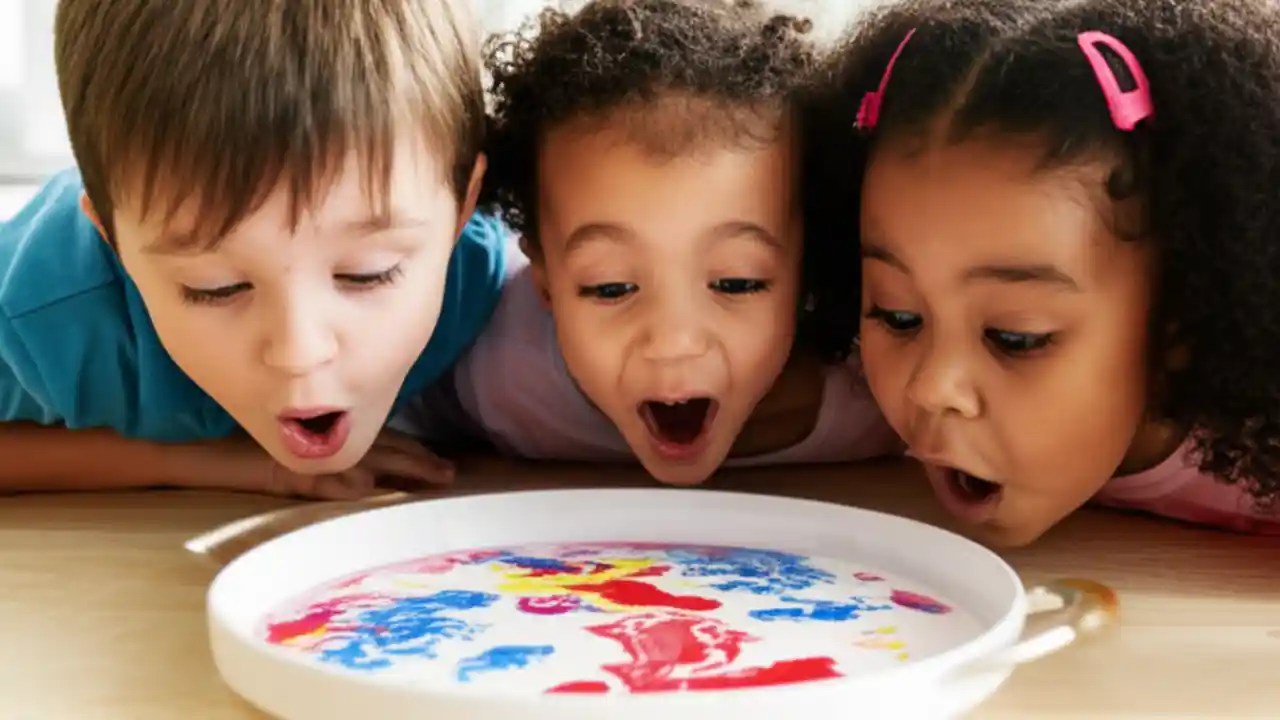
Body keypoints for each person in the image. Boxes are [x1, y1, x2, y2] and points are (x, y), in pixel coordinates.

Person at [815, 0, 1280, 545]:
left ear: (1179, 319)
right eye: (897, 316)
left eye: (1015, 337)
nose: (931, 387)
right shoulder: (875, 399)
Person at [0, 0, 506, 498]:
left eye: (367, 274)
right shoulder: (51, 310)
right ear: (114, 243)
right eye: (216, 288)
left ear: (461, 209)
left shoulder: (482, 275)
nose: (299, 352)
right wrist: (196, 460)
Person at [394, 0, 900, 486]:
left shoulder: (884, 397)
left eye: (737, 282)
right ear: (546, 282)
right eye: (610, 287)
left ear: (805, 270)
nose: (673, 344)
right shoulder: (495, 366)